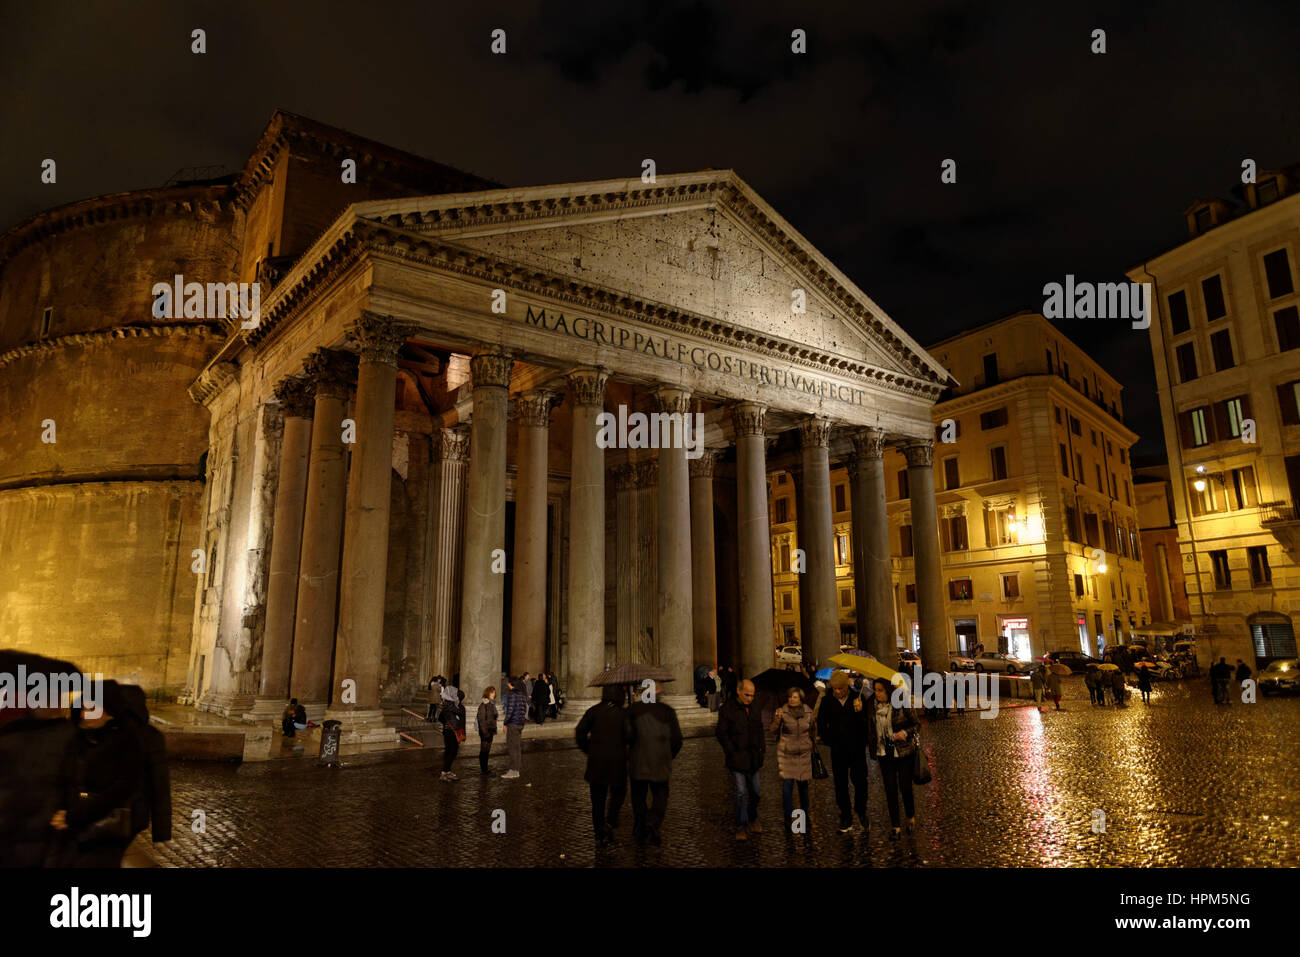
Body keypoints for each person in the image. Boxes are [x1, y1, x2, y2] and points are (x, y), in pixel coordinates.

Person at [627, 680, 683, 847]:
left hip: (638, 762)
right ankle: (652, 823)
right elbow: (677, 740)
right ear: (657, 692)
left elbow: (627, 736)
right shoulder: (667, 711)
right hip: (660, 763)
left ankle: (640, 827)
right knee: (661, 797)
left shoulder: (633, 710)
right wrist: (668, 755)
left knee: (638, 798)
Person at [576, 686, 631, 848]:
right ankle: (610, 822)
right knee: (619, 793)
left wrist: (589, 749)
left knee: (597, 801)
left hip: (596, 763)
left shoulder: (593, 711)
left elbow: (580, 732)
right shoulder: (623, 714)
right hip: (617, 762)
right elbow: (630, 736)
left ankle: (599, 833)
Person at [816, 670, 869, 834]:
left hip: (856, 749)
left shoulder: (858, 698)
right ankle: (845, 815)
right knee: (840, 784)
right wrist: (829, 740)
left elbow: (866, 724)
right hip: (838, 750)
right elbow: (821, 723)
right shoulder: (827, 701)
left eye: (840, 689)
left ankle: (861, 811)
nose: (837, 692)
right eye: (835, 689)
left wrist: (860, 713)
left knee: (860, 782)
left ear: (846, 687)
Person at [868, 677, 920, 840]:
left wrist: (904, 733)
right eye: (875, 690)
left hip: (903, 752)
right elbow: (868, 727)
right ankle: (895, 826)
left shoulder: (901, 702)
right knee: (890, 789)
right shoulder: (871, 707)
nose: (877, 694)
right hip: (884, 753)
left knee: (904, 786)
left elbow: (916, 724)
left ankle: (910, 816)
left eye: (880, 690)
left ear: (888, 691)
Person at [716, 678, 765, 840]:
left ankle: (752, 817)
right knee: (741, 792)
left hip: (753, 757)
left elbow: (760, 731)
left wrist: (761, 750)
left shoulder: (755, 708)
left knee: (756, 792)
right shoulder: (728, 709)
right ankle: (741, 825)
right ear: (738, 691)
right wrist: (731, 750)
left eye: (752, 695)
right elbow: (721, 733)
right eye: (747, 695)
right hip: (737, 757)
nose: (750, 698)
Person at [770, 687, 816, 839]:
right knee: (787, 786)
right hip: (787, 753)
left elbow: (813, 730)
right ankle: (788, 816)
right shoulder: (782, 711)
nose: (791, 699)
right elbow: (773, 730)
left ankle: (805, 815)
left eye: (795, 697)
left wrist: (811, 743)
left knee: (803, 787)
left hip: (803, 753)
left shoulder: (808, 712)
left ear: (801, 699)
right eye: (790, 697)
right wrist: (777, 718)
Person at [501, 676, 528, 778]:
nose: (507, 684)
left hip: (513, 723)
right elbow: (524, 709)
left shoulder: (512, 694)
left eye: (508, 683)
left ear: (511, 683)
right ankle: (516, 770)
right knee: (517, 748)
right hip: (520, 723)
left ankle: (512, 771)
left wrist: (505, 723)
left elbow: (510, 710)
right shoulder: (522, 694)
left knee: (512, 747)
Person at [438, 682, 465, 781]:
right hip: (450, 731)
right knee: (451, 751)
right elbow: (442, 717)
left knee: (451, 751)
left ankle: (447, 770)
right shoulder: (450, 705)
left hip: (450, 731)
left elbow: (441, 718)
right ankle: (444, 772)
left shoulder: (450, 704)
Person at [476, 687, 498, 775]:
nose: (494, 694)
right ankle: (484, 770)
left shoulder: (492, 704)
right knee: (484, 750)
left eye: (494, 692)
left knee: (487, 750)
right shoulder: (483, 705)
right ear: (488, 693)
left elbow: (493, 718)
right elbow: (481, 720)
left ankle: (485, 769)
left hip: (491, 730)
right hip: (485, 731)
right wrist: (485, 733)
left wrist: (494, 729)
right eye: (492, 692)